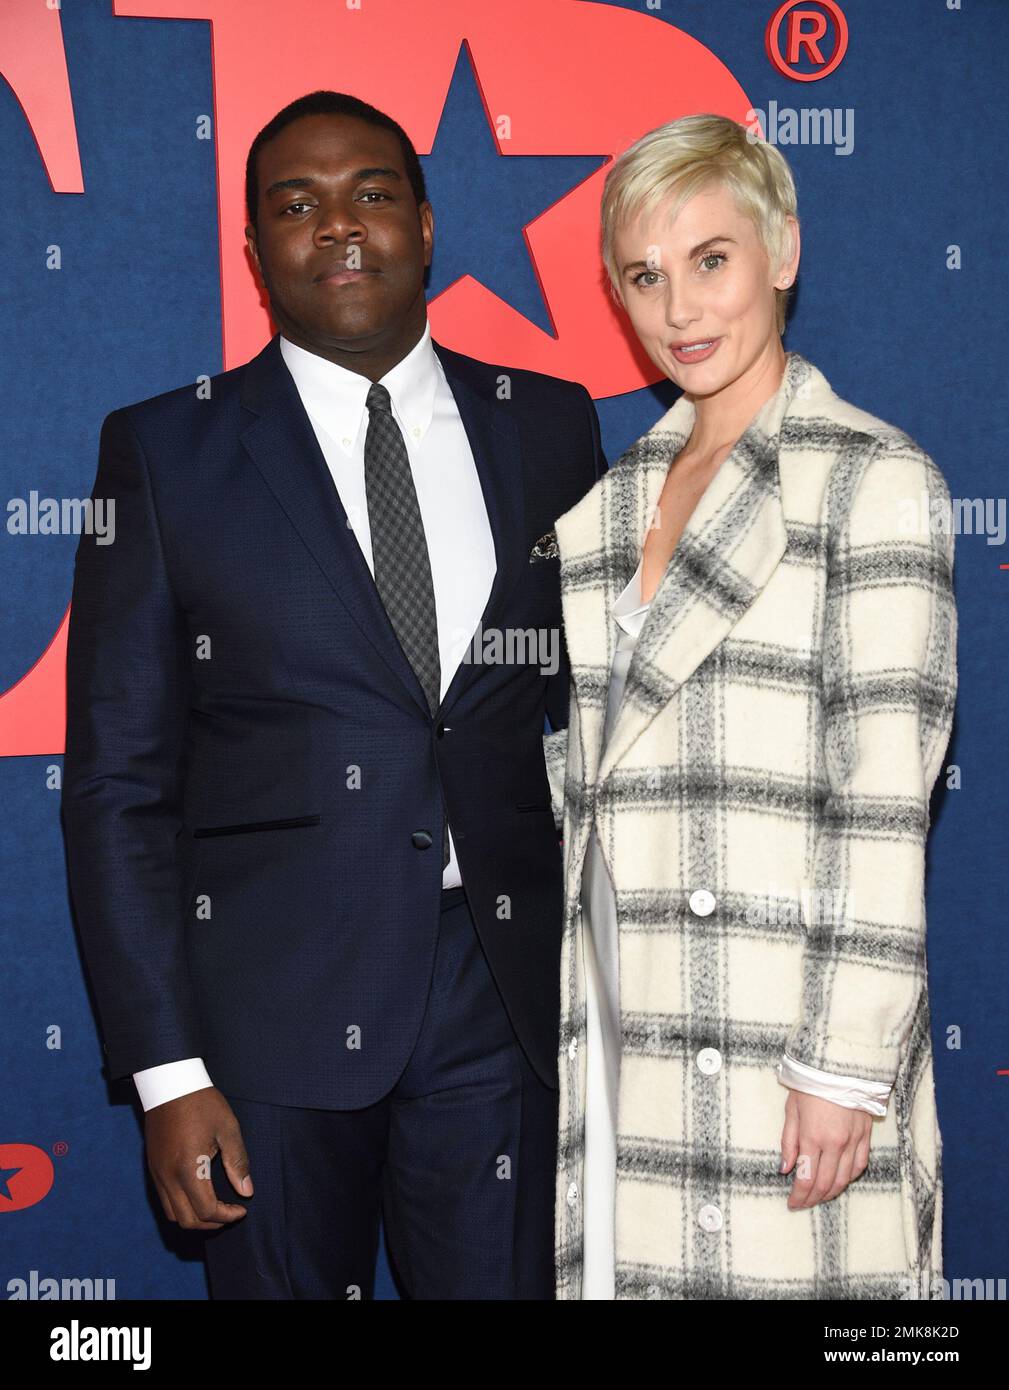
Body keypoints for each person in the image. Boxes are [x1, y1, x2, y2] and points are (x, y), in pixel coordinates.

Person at [61, 89, 606, 1300]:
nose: (339, 226)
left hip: (498, 1005)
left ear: (423, 218)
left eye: (370, 192)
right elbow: (116, 784)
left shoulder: (552, 429)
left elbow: (594, 710)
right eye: (295, 205)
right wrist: (165, 1072)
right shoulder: (164, 453)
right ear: (256, 254)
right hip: (266, 1028)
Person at [543, 113, 957, 1300]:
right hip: (624, 1023)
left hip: (783, 1031)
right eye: (644, 275)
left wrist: (842, 1065)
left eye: (710, 260)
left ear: (781, 253)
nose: (678, 308)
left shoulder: (871, 477)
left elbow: (887, 792)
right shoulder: (603, 511)